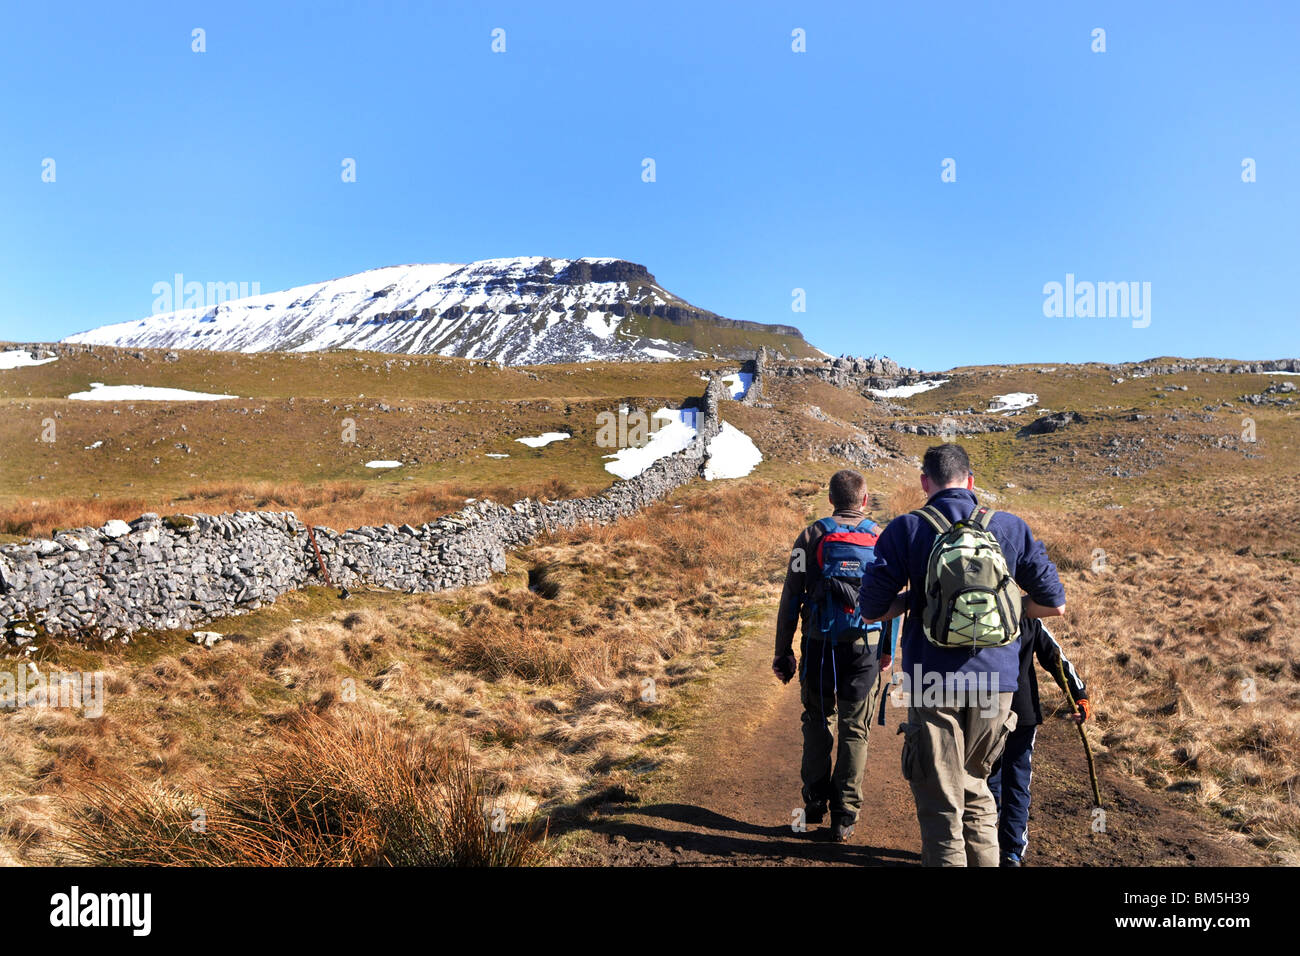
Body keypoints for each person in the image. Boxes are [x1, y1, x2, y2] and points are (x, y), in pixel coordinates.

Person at [856, 443, 1066, 866]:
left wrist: (918, 600)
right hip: (996, 682)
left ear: (924, 483)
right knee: (977, 788)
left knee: (940, 801)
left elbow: (872, 608)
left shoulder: (905, 529)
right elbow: (1054, 603)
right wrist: (1010, 607)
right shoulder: (1008, 526)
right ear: (970, 481)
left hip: (931, 680)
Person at [773, 469, 899, 843]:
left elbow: (790, 597)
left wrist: (783, 652)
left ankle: (814, 800)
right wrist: (888, 650)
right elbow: (892, 601)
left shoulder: (811, 535)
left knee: (816, 719)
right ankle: (844, 816)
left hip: (818, 644)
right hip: (866, 646)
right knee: (854, 729)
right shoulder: (881, 538)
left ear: (831, 499)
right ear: (864, 500)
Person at [989, 617, 1090, 866]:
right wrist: (1079, 696)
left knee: (985, 778)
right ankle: (1012, 851)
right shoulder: (1028, 616)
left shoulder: (977, 611)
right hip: (1022, 711)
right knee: (1017, 780)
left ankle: (983, 841)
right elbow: (1056, 657)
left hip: (985, 710)